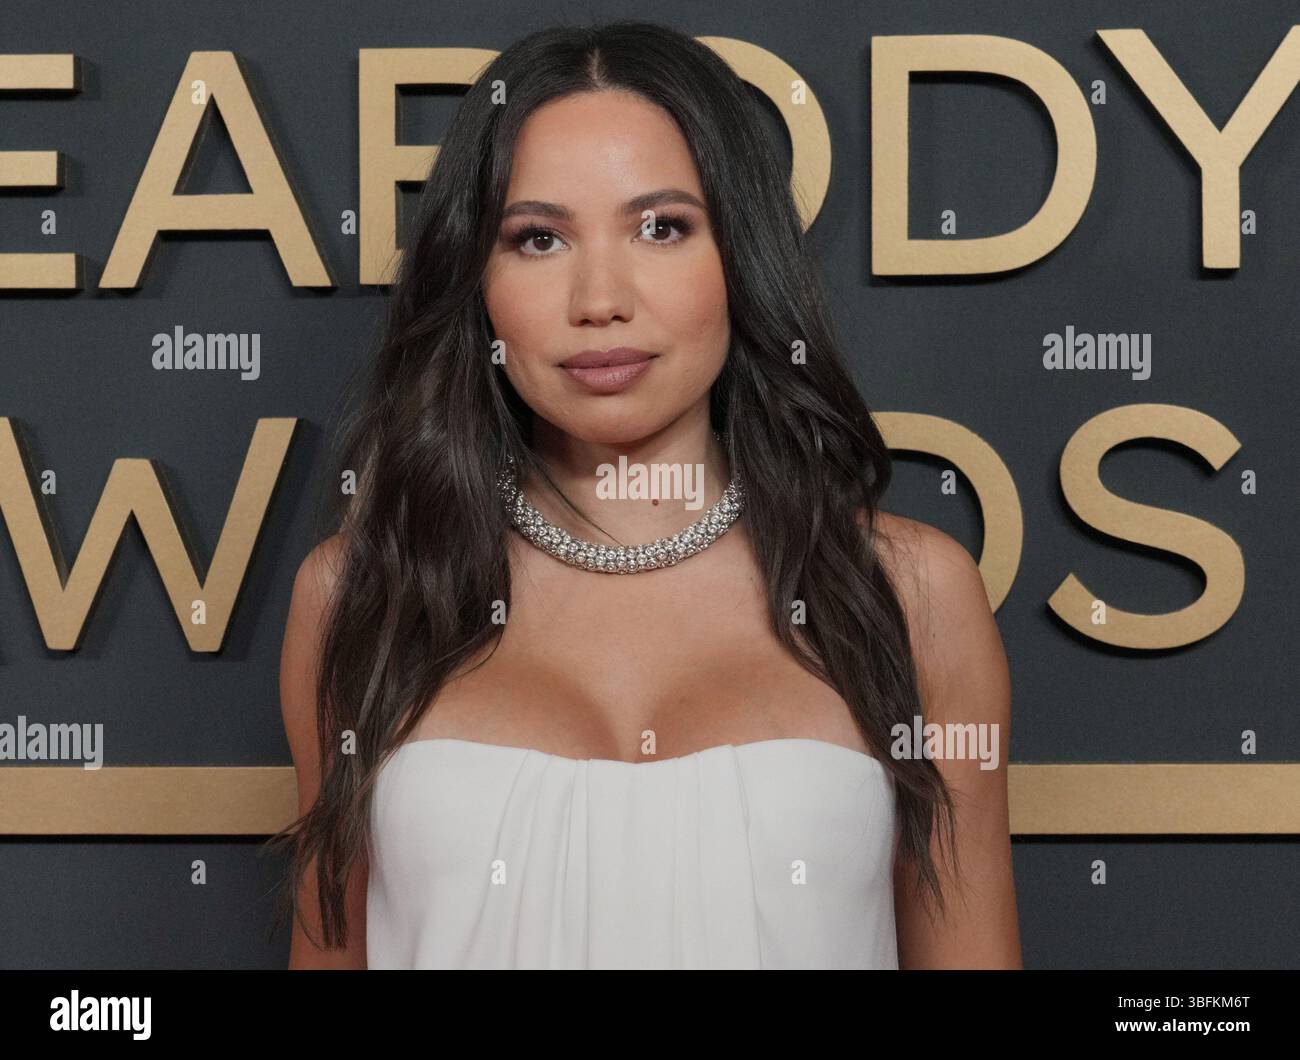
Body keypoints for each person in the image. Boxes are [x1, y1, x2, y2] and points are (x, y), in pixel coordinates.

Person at [270, 19, 1019, 969]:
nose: (601, 298)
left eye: (661, 227)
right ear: (478, 282)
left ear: (740, 260)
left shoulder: (911, 594)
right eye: (538, 238)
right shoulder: (359, 596)